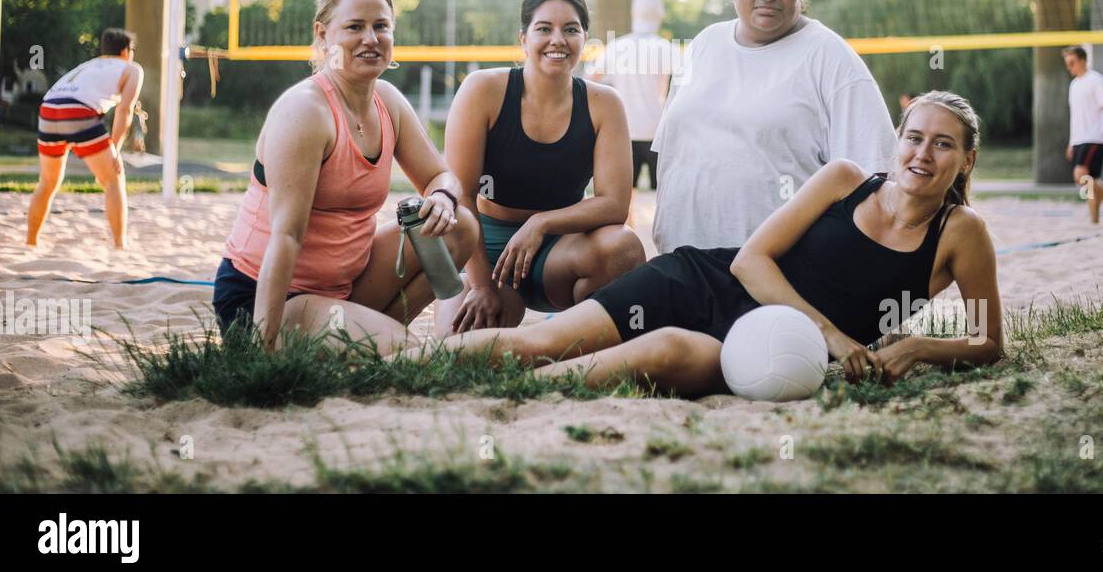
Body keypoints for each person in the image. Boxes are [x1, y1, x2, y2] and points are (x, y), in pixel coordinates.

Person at [428, 92, 1003, 397]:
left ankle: (498, 389)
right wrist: (834, 335)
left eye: (943, 145)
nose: (923, 155)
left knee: (664, 354)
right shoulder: (847, 179)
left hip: (766, 340)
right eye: (914, 138)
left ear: (966, 160)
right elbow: (752, 260)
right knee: (547, 339)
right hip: (707, 281)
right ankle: (404, 366)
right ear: (897, 142)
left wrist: (918, 348)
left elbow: (989, 342)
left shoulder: (962, 233)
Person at [213, 0, 480, 354]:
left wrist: (442, 198)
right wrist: (262, 354)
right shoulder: (304, 111)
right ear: (323, 35)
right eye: (355, 27)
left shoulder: (387, 100)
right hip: (268, 298)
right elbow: (286, 237)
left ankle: (362, 339)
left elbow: (441, 175)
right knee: (403, 349)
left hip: (342, 288)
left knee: (460, 227)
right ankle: (339, 343)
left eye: (381, 27)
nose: (370, 39)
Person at [650, 0, 897, 254]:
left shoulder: (830, 56)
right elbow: (672, 146)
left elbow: (873, 174)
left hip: (775, 268)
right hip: (681, 258)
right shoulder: (704, 43)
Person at [434, 0, 647, 336]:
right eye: (544, 28)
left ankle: (569, 331)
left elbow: (614, 204)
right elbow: (462, 195)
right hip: (486, 248)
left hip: (558, 250)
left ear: (585, 39)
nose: (558, 40)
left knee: (622, 247)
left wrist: (541, 223)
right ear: (523, 38)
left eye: (571, 29)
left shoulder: (603, 103)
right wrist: (483, 286)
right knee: (459, 348)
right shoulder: (483, 89)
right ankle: (495, 297)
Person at [27, 28, 145, 250]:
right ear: (125, 51)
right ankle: (120, 246)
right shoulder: (132, 69)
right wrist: (116, 151)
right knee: (113, 178)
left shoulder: (88, 66)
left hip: (48, 108)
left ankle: (31, 242)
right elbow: (125, 111)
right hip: (77, 110)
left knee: (47, 182)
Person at [587, 0, 679, 191]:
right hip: (657, 130)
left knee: (623, 195)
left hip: (623, 130)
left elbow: (590, 80)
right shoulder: (666, 48)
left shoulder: (617, 46)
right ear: (658, 14)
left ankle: (630, 224)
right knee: (661, 193)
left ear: (633, 13)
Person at [1062, 45, 1103, 224]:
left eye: (1072, 63)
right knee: (1089, 182)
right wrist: (1071, 142)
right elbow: (1075, 116)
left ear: (1083, 60)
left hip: (1095, 137)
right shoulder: (1073, 85)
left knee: (1080, 175)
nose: (1069, 67)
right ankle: (1094, 222)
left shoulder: (1097, 80)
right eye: (1067, 64)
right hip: (1079, 139)